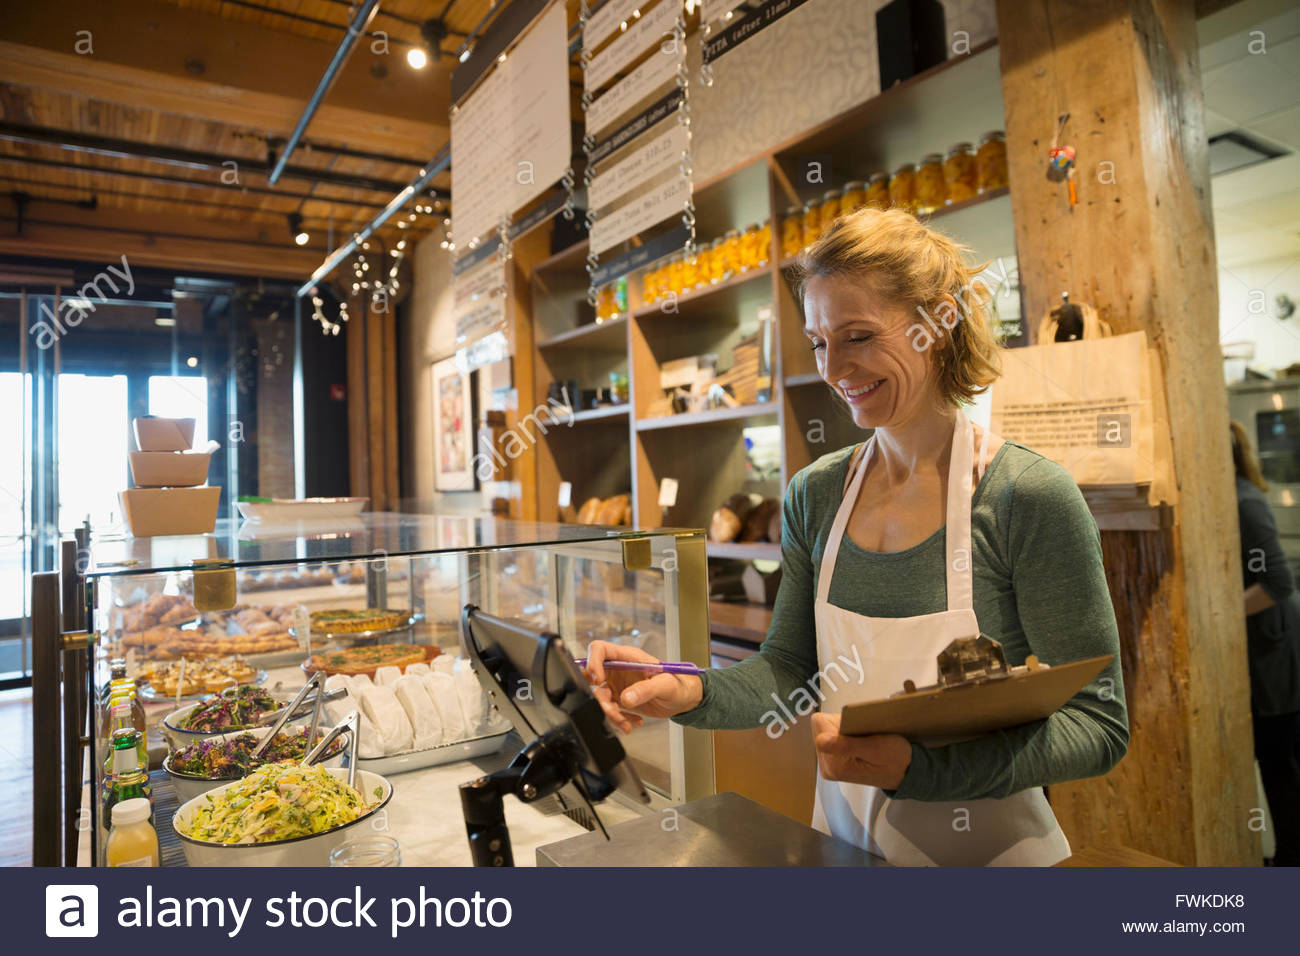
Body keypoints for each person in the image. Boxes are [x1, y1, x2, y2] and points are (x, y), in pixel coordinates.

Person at [586, 208, 1128, 866]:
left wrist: (920, 769)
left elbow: (1097, 723)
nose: (833, 367)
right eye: (818, 342)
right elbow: (790, 672)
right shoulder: (816, 495)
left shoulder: (1027, 497)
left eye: (858, 336)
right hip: (846, 851)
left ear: (939, 322)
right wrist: (689, 688)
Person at [1230, 419, 1300, 865]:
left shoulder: (1243, 502)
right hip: (1263, 654)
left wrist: (1217, 617)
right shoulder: (1232, 498)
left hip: (1274, 659)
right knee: (1279, 768)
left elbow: (1278, 580)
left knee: (1283, 770)